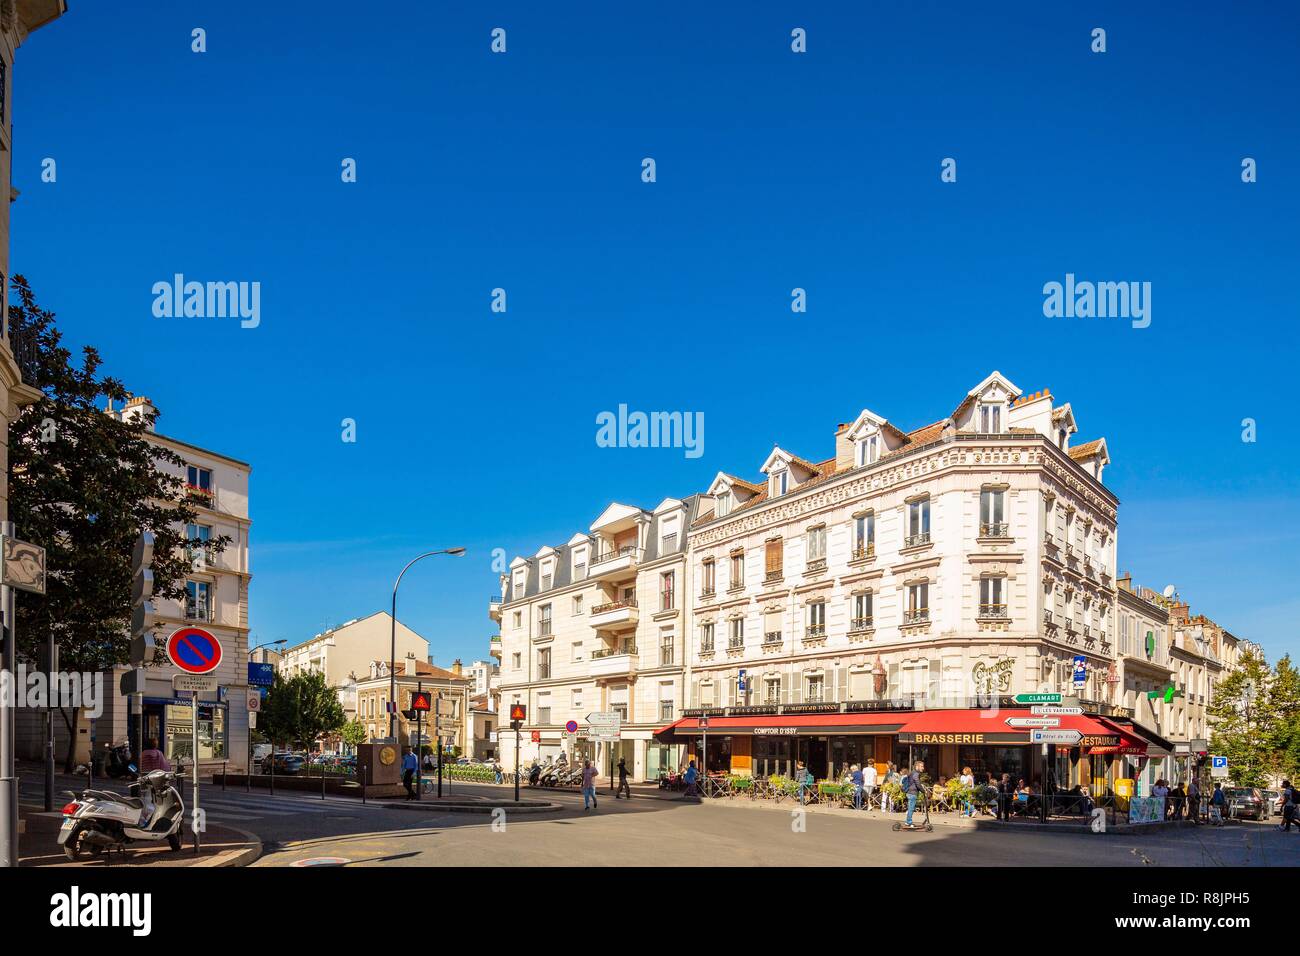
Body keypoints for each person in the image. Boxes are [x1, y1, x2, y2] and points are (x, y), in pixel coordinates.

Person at [902, 760, 925, 828]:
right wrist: (922, 790)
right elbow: (917, 782)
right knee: (911, 808)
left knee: (911, 807)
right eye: (921, 766)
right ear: (917, 766)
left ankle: (908, 821)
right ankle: (908, 822)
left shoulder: (912, 773)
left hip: (910, 792)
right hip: (912, 792)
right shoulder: (916, 774)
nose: (923, 768)